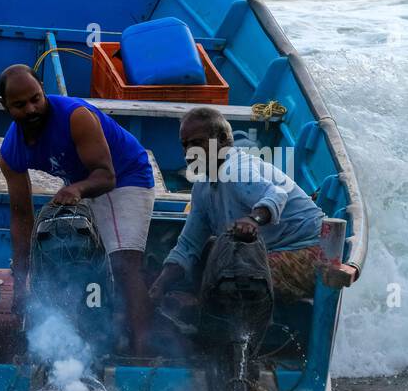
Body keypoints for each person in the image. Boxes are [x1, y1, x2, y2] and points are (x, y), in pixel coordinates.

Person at [0, 64, 155, 355]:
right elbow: (21, 216)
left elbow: (107, 176)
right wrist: (22, 282)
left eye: (36, 99)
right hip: (82, 185)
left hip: (124, 177)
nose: (31, 109)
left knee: (123, 263)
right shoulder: (10, 153)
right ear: (4, 106)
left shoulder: (76, 117)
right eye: (20, 105)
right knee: (67, 258)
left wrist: (76, 189)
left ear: (44, 92)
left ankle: (142, 352)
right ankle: (86, 344)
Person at [148, 106, 357, 311]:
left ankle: (204, 310)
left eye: (197, 143)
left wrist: (252, 220)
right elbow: (188, 245)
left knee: (236, 275)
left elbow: (276, 194)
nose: (188, 153)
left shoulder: (236, 169)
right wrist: (160, 284)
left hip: (312, 253)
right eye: (184, 145)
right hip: (270, 250)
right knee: (209, 249)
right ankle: (201, 306)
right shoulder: (202, 187)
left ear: (222, 140)